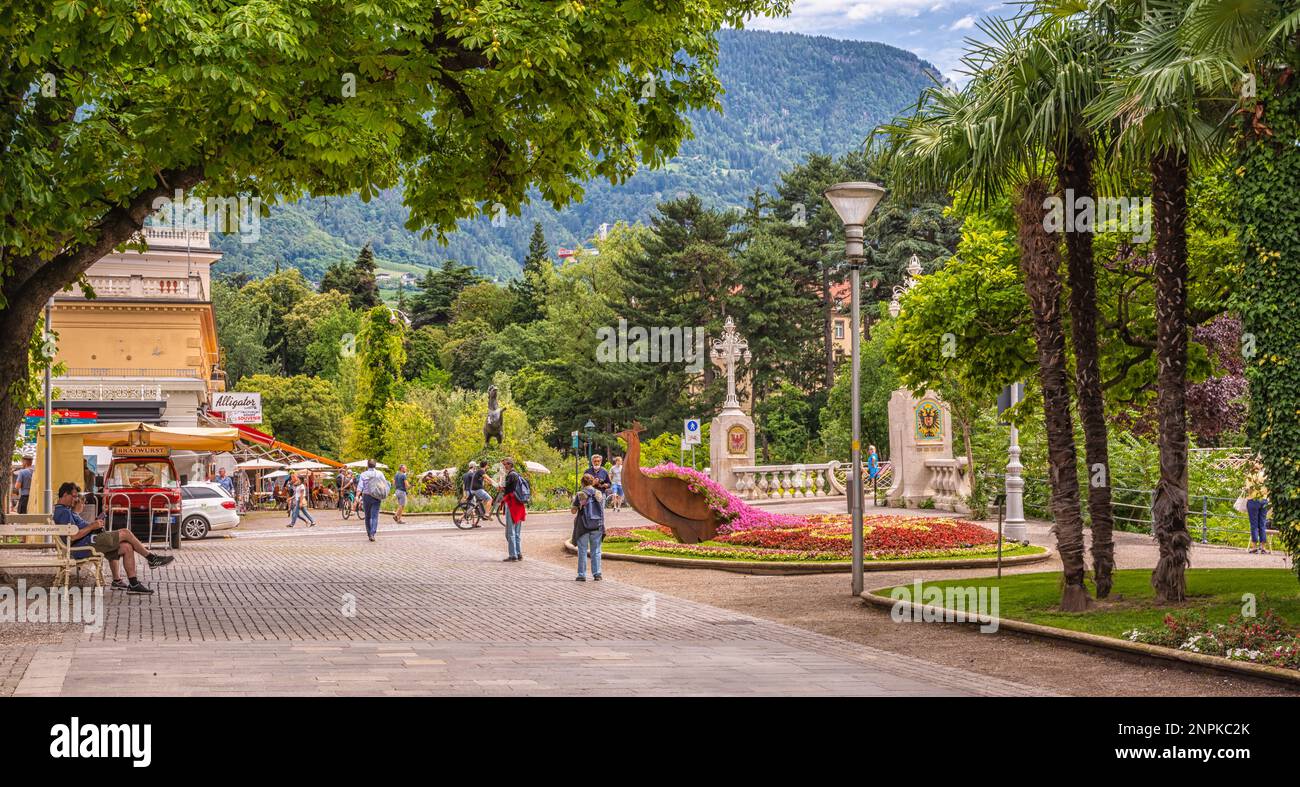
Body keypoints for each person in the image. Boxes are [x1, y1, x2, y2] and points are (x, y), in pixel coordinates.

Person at [54, 481, 173, 594]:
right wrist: (91, 527)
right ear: (65, 494)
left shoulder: (65, 511)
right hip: (84, 546)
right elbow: (73, 536)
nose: (75, 499)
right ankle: (151, 558)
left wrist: (94, 526)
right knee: (125, 533)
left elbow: (76, 532)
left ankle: (134, 584)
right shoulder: (64, 512)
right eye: (74, 496)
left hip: (88, 542)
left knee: (126, 547)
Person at [571, 473, 606, 581]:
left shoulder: (581, 494)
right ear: (592, 482)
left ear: (582, 483)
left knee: (582, 550)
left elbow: (573, 511)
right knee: (596, 550)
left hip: (583, 526)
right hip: (597, 525)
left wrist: (574, 503)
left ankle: (582, 574)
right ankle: (597, 573)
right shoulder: (599, 493)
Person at [500, 457, 527, 562]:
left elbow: (506, 490)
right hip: (520, 505)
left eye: (505, 464)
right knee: (516, 532)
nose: (504, 466)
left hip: (512, 505)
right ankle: (518, 553)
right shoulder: (517, 475)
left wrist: (501, 486)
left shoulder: (510, 475)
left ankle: (513, 555)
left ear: (509, 464)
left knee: (509, 532)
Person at [1244, 460, 1270, 554]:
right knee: (1262, 524)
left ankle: (1254, 547)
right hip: (1264, 500)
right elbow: (1269, 489)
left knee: (1254, 524)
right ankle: (1263, 548)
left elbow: (1248, 489)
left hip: (1253, 500)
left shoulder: (1250, 476)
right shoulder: (1265, 475)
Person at [358, 459, 386, 542]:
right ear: (375, 465)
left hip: (366, 496)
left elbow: (360, 486)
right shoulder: (380, 474)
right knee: (374, 516)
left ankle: (369, 533)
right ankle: (372, 533)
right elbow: (384, 484)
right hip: (376, 496)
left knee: (367, 516)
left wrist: (357, 496)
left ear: (367, 465)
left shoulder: (363, 474)